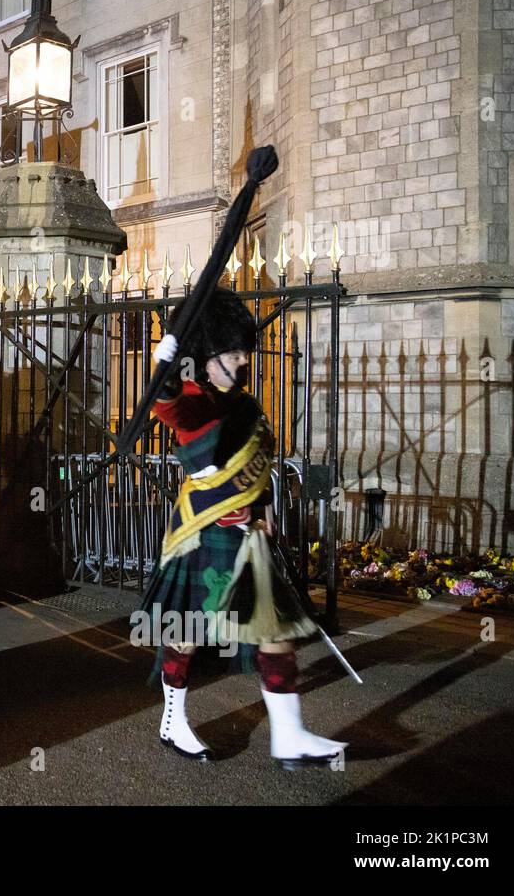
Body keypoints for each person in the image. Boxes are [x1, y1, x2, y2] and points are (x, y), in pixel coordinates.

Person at [141, 287, 347, 769]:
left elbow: (259, 462)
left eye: (245, 352)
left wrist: (267, 508)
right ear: (205, 358)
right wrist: (164, 369)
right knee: (187, 632)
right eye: (232, 353)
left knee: (274, 632)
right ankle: (173, 721)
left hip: (248, 535)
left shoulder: (246, 406)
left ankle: (290, 735)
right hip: (204, 531)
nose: (242, 361)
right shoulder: (193, 399)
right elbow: (168, 405)